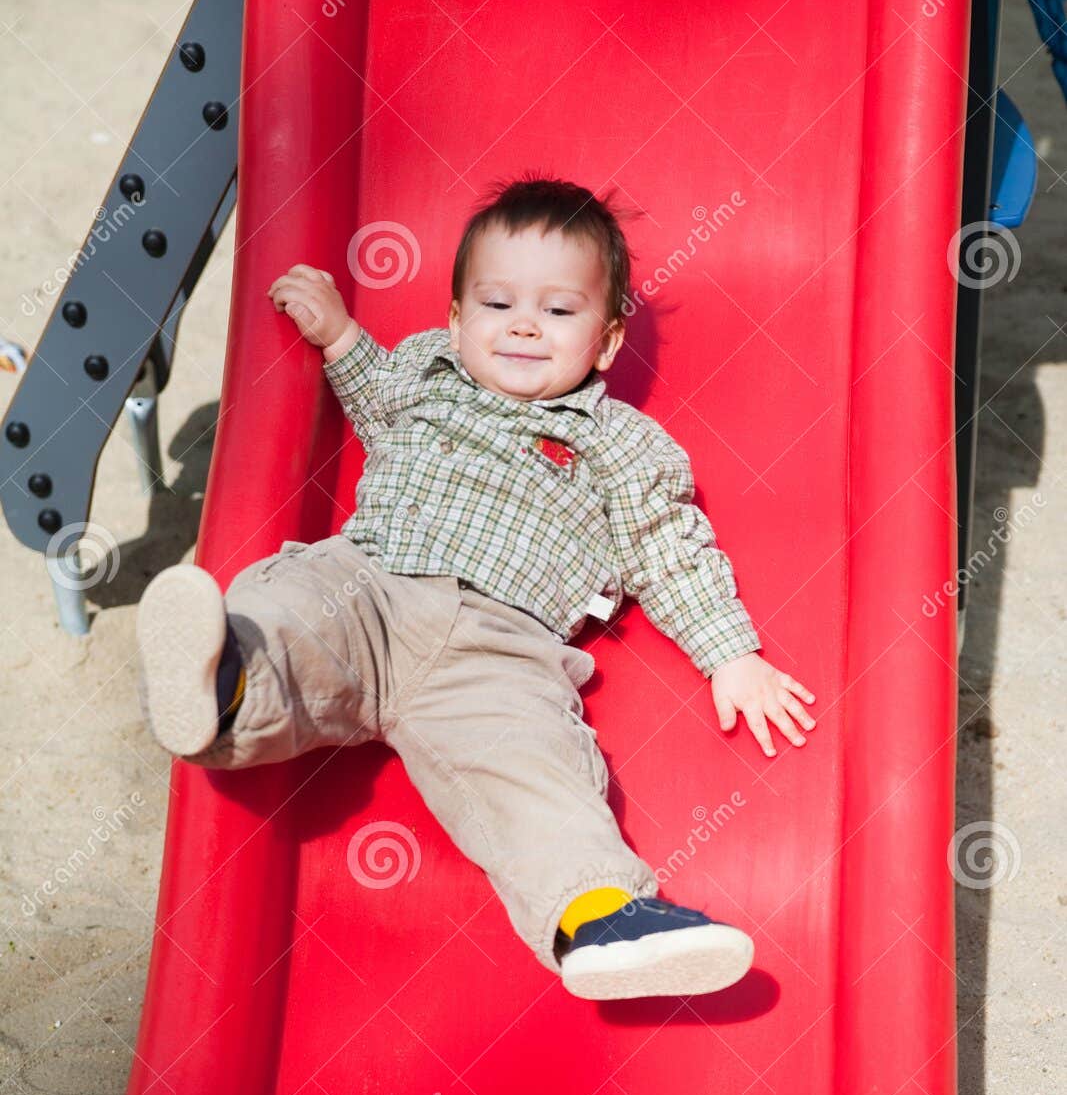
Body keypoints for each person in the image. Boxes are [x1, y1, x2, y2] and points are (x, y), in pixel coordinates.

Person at [135, 174, 816, 999]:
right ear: (456, 322)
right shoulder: (425, 370)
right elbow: (378, 398)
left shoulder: (625, 445)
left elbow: (667, 548)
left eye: (560, 312)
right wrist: (342, 335)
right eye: (496, 306)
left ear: (603, 341)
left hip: (499, 646)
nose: (525, 325)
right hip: (369, 586)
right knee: (290, 612)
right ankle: (222, 680)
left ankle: (600, 919)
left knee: (533, 769)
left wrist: (730, 654)